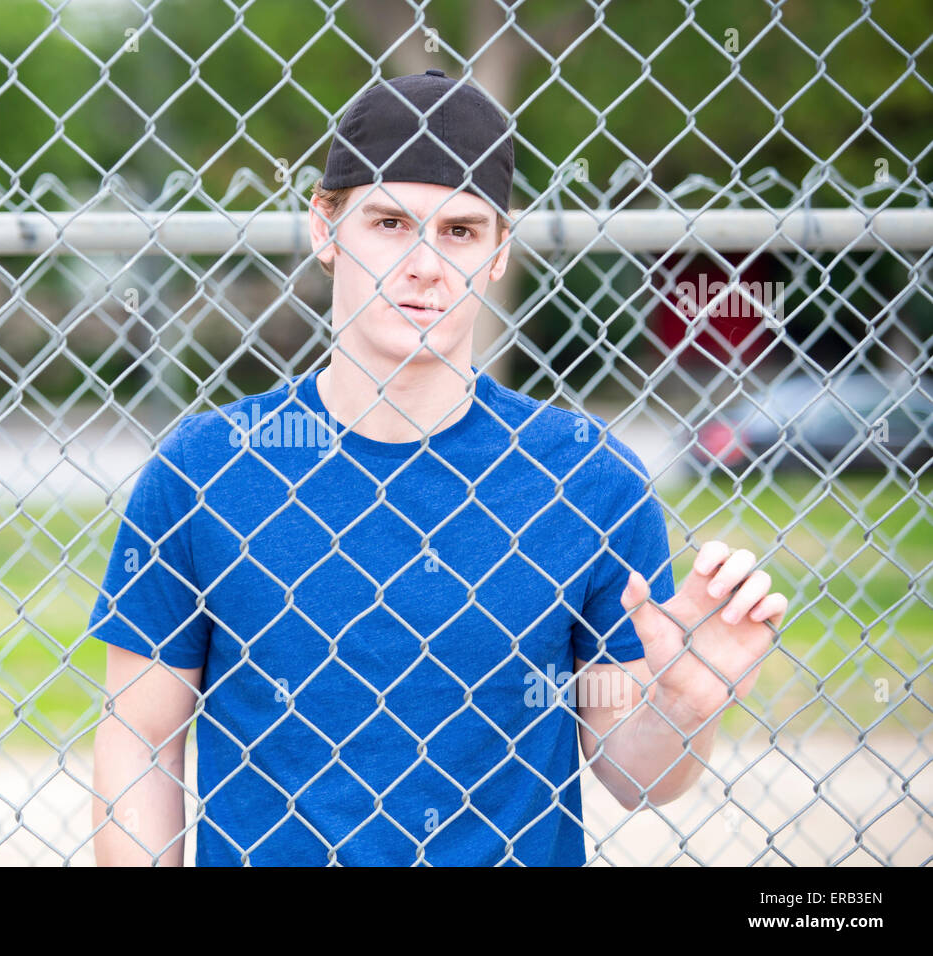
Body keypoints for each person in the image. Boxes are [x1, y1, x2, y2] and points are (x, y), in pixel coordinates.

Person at [87, 70, 789, 866]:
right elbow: (141, 740)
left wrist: (687, 702)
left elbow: (635, 777)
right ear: (325, 227)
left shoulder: (587, 479)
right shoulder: (207, 471)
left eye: (460, 230)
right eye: (390, 221)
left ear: (498, 253)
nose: (425, 263)